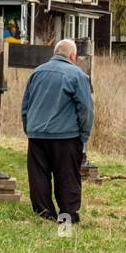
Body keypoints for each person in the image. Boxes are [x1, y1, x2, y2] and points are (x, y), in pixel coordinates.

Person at [20, 39, 93, 223]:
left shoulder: (36, 73)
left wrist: (29, 128)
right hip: (66, 136)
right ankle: (67, 218)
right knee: (67, 177)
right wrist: (83, 136)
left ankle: (44, 215)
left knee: (38, 177)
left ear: (55, 53)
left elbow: (25, 106)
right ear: (72, 56)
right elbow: (86, 109)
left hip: (36, 135)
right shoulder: (78, 75)